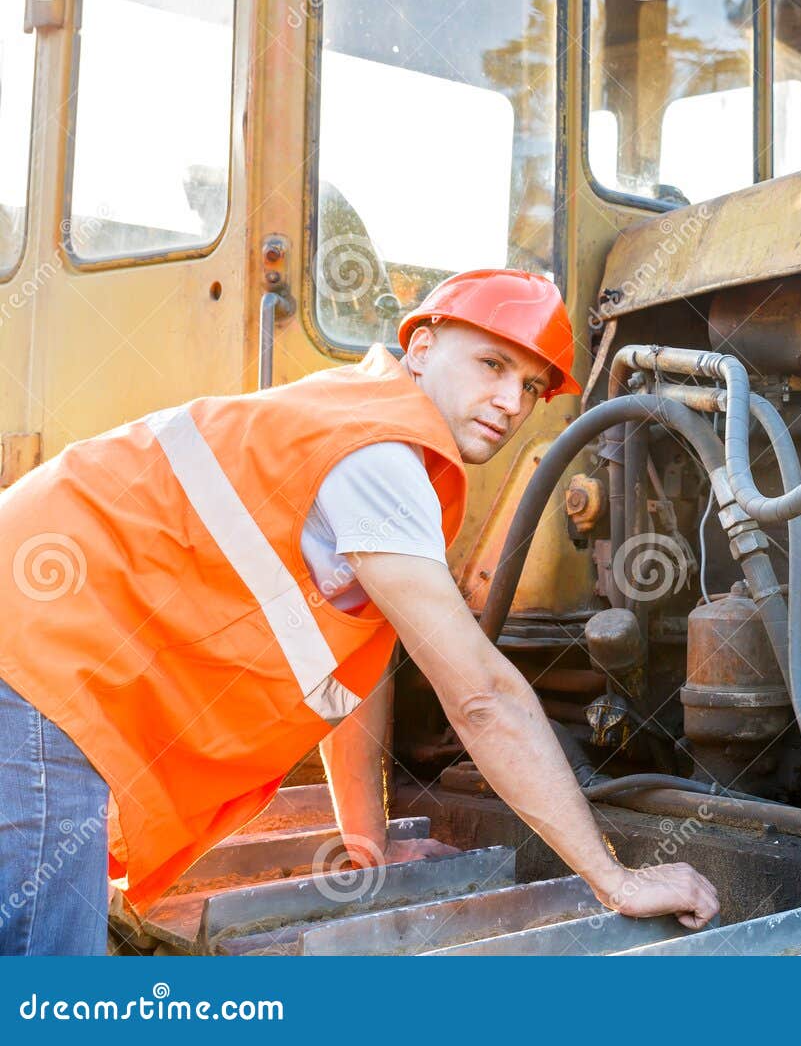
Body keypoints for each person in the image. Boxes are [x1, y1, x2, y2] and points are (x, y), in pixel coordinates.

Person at [0, 268, 718, 955]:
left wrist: (365, 837)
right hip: (37, 655)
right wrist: (615, 877)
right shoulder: (378, 454)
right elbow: (482, 698)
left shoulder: (364, 419)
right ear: (424, 345)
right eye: (492, 365)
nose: (511, 402)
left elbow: (351, 668)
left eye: (531, 386)